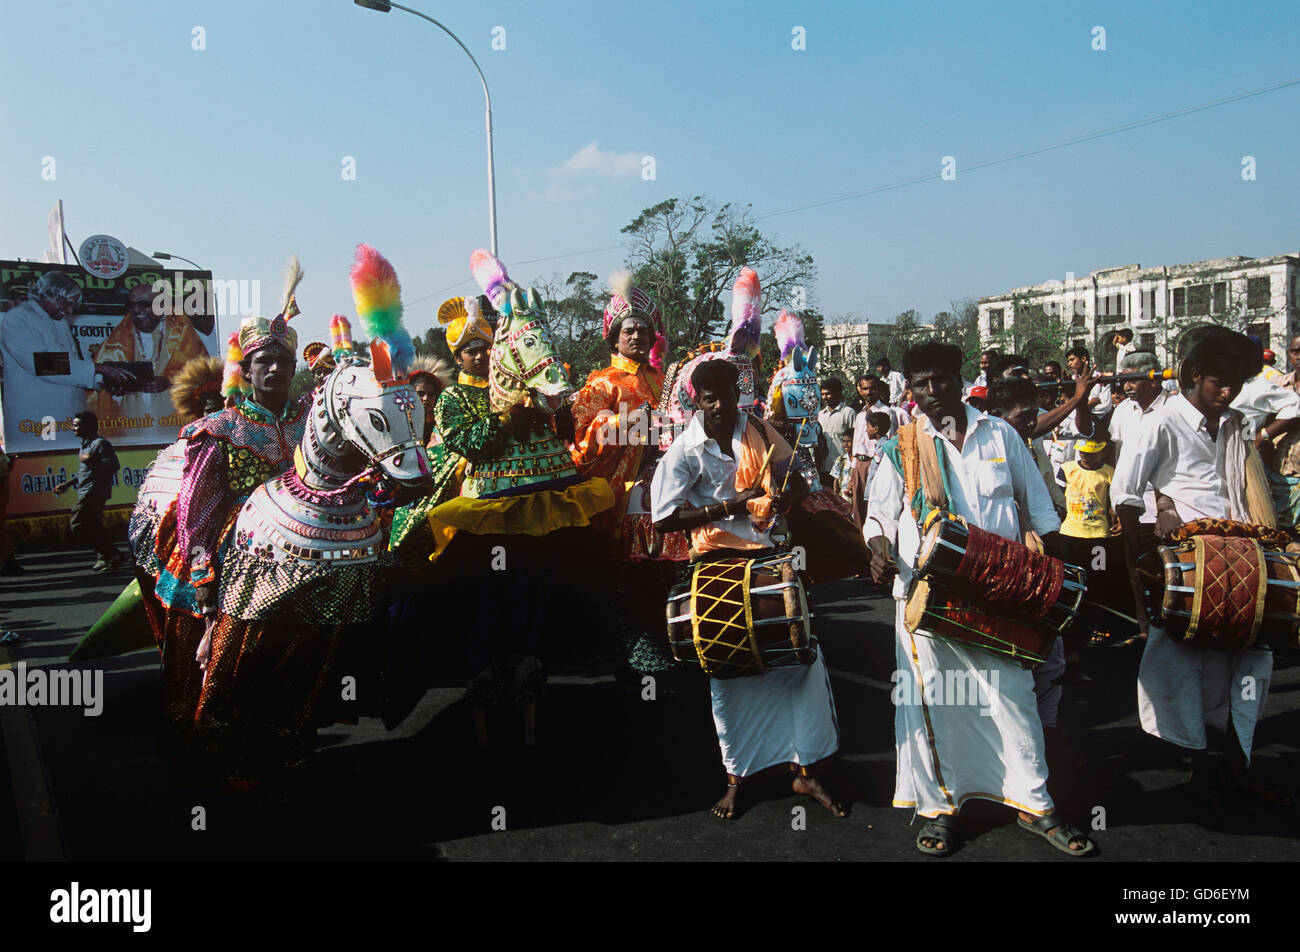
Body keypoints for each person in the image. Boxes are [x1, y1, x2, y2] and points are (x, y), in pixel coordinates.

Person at [865, 340, 1095, 857]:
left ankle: (1035, 804)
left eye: (940, 379)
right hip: (928, 596)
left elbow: (1039, 512)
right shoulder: (901, 446)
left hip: (1001, 593)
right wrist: (878, 550)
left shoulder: (1002, 435)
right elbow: (877, 516)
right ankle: (940, 809)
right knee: (936, 705)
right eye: (919, 383)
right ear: (910, 390)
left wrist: (1057, 587)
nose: (931, 391)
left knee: (1013, 699)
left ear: (960, 378)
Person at [652, 357, 847, 821]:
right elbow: (663, 518)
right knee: (729, 674)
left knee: (802, 665)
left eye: (726, 394)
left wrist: (787, 495)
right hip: (718, 562)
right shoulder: (685, 450)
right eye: (709, 397)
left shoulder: (759, 430)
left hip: (769, 554)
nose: (720, 404)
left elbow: (797, 479)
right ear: (695, 400)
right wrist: (730, 507)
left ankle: (806, 768)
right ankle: (738, 778)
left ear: (738, 393)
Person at [1112, 327, 1290, 806]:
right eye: (1219, 382)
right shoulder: (1161, 423)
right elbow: (1126, 495)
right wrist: (1142, 569)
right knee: (1190, 668)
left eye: (1235, 382)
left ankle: (1236, 763)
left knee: (1253, 661)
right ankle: (1202, 767)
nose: (1227, 392)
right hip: (1191, 570)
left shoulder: (1234, 423)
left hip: (1244, 562)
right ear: (1194, 375)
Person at [570, 271, 679, 683]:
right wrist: (635, 424)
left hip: (668, 487)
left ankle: (670, 635)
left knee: (666, 574)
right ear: (614, 337)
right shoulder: (600, 382)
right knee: (628, 580)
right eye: (628, 330)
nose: (636, 336)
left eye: (643, 330)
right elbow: (582, 439)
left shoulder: (663, 379)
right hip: (624, 493)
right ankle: (629, 646)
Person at [0, 271, 134, 442]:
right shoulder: (17, 319)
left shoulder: (58, 321)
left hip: (67, 420)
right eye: (67, 304)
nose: (69, 311)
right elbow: (43, 365)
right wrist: (97, 368)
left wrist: (104, 381)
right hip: (36, 423)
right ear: (49, 295)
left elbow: (71, 366)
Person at [1105, 349, 1172, 641]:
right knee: (1137, 572)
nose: (1127, 387)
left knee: (1170, 573)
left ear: (1154, 380)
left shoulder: (1174, 408)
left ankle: (1172, 633)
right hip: (1132, 507)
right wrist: (1114, 505)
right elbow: (1120, 460)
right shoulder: (1122, 412)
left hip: (1169, 509)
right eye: (1124, 381)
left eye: (1133, 380)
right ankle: (1146, 632)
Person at [93, 283, 208, 420]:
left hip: (173, 419)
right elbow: (98, 377)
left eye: (143, 304)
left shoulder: (182, 331)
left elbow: (202, 374)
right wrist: (113, 385)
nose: (136, 310)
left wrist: (169, 381)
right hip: (132, 421)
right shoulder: (121, 334)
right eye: (131, 304)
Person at [1055, 439, 1121, 657]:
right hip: (1070, 536)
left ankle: (1096, 627)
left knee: (1098, 581)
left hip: (1098, 539)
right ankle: (1068, 626)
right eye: (1082, 452)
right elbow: (1056, 498)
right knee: (1071, 582)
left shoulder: (1110, 473)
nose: (1085, 456)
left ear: (1102, 453)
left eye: (1090, 453)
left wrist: (1117, 520)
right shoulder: (1067, 470)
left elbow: (1113, 504)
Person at [53, 411, 128, 571]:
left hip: (94, 492)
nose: (73, 428)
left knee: (77, 525)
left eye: (76, 425)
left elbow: (113, 465)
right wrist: (67, 484)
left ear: (87, 426)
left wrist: (92, 460)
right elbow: (85, 472)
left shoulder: (99, 444)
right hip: (87, 490)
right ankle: (108, 556)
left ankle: (110, 553)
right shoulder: (86, 445)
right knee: (94, 526)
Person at [1268, 332, 1300, 524]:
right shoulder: (1277, 387)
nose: (1299, 356)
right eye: (1295, 351)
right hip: (1277, 478)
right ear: (1288, 354)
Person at [830, 432, 855, 504]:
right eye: (844, 441)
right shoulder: (840, 459)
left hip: (855, 500)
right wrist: (836, 497)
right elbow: (836, 480)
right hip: (842, 498)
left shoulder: (860, 461)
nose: (845, 444)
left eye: (849, 441)